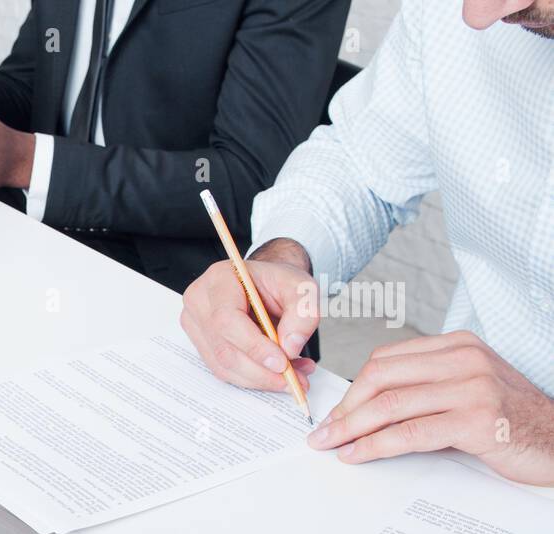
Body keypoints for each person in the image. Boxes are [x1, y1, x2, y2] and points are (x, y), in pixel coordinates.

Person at [179, 0, 554, 485]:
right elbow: (361, 163)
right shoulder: (454, 13)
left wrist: (539, 431)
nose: (476, 15)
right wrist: (285, 254)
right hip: (459, 465)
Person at [0, 0, 352, 298]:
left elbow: (245, 182)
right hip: (38, 250)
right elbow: (29, 85)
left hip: (187, 289)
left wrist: (21, 161)